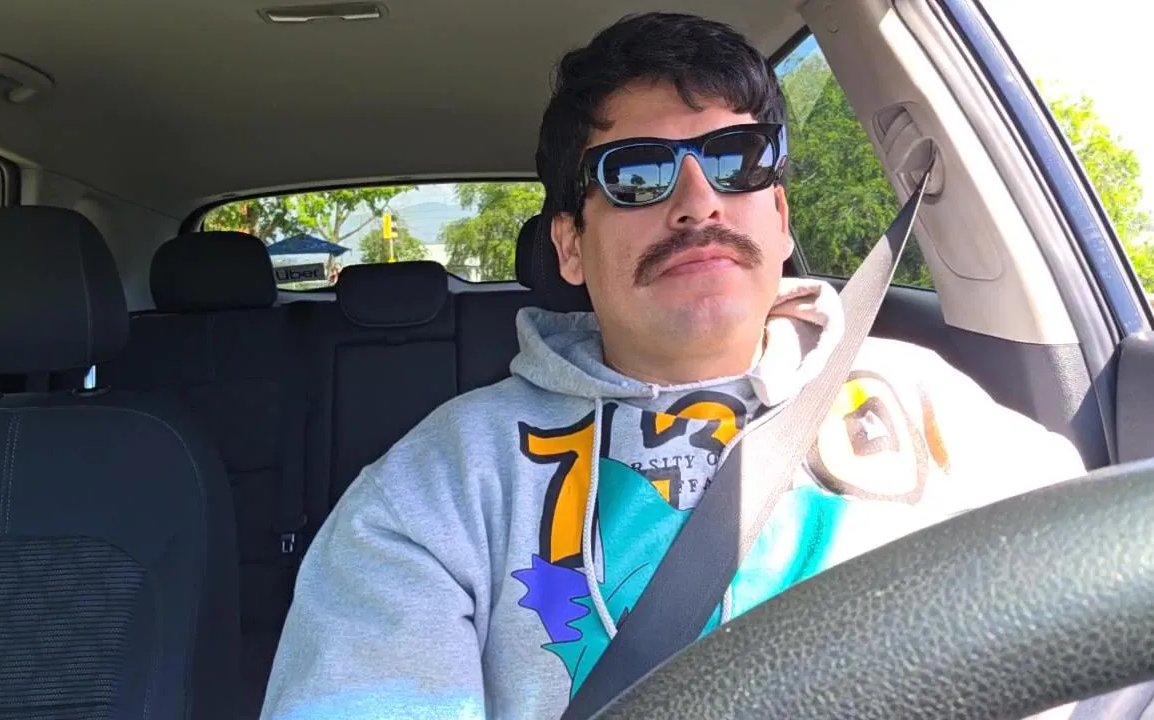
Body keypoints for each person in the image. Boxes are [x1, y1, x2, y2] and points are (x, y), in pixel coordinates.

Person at [260, 12, 1087, 719]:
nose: (698, 202)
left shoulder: (928, 401)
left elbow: (1094, 619)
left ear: (780, 215)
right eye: (637, 174)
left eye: (737, 158)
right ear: (570, 247)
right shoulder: (436, 491)